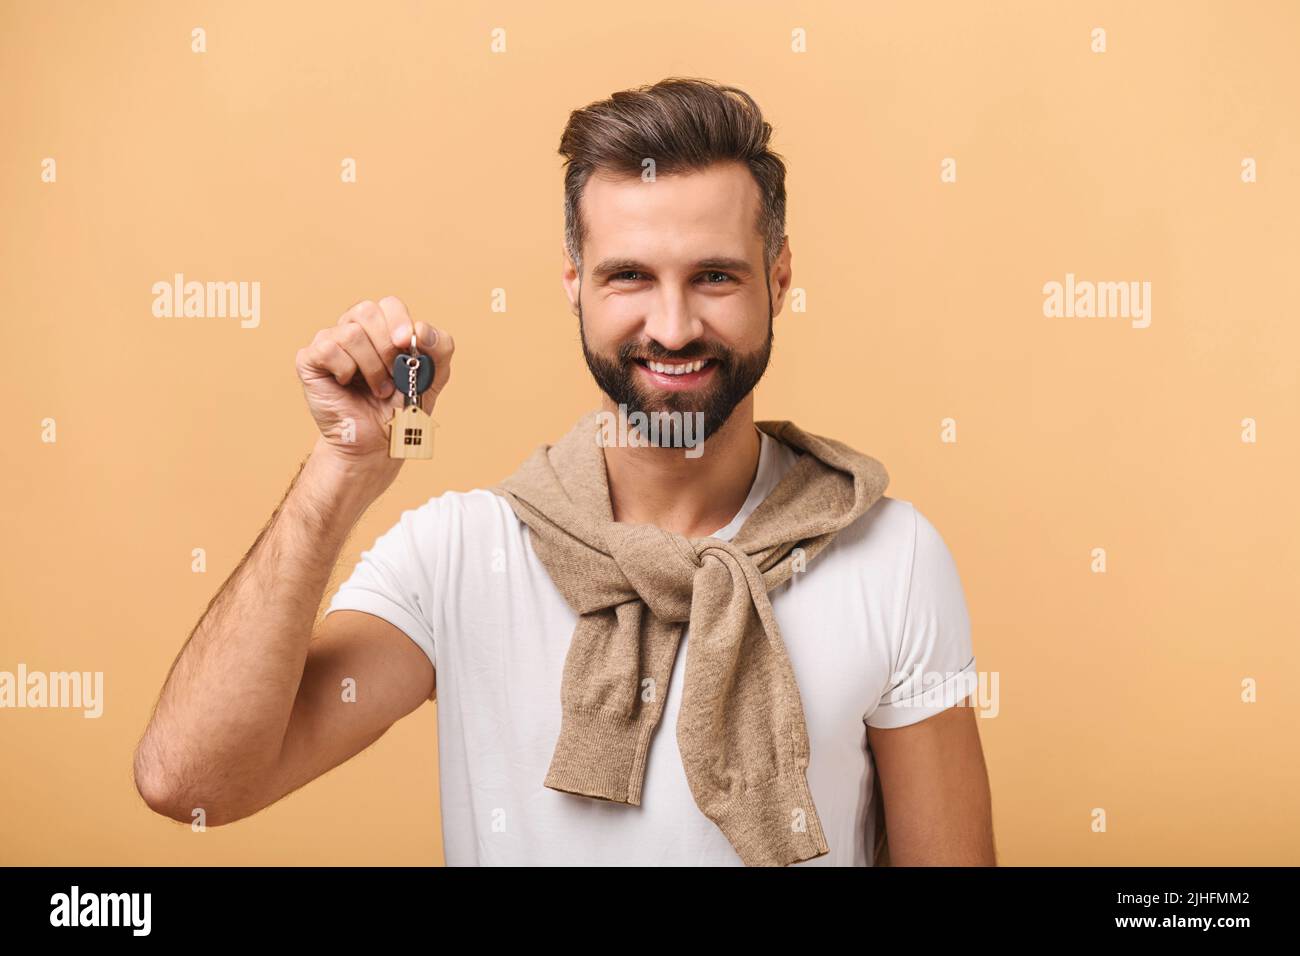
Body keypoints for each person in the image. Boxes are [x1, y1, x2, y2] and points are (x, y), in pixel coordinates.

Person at [134, 77, 996, 866]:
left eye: (714, 277)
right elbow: (192, 784)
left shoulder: (892, 557)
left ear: (778, 280)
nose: (673, 325)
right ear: (573, 282)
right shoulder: (462, 555)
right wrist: (341, 470)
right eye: (629, 276)